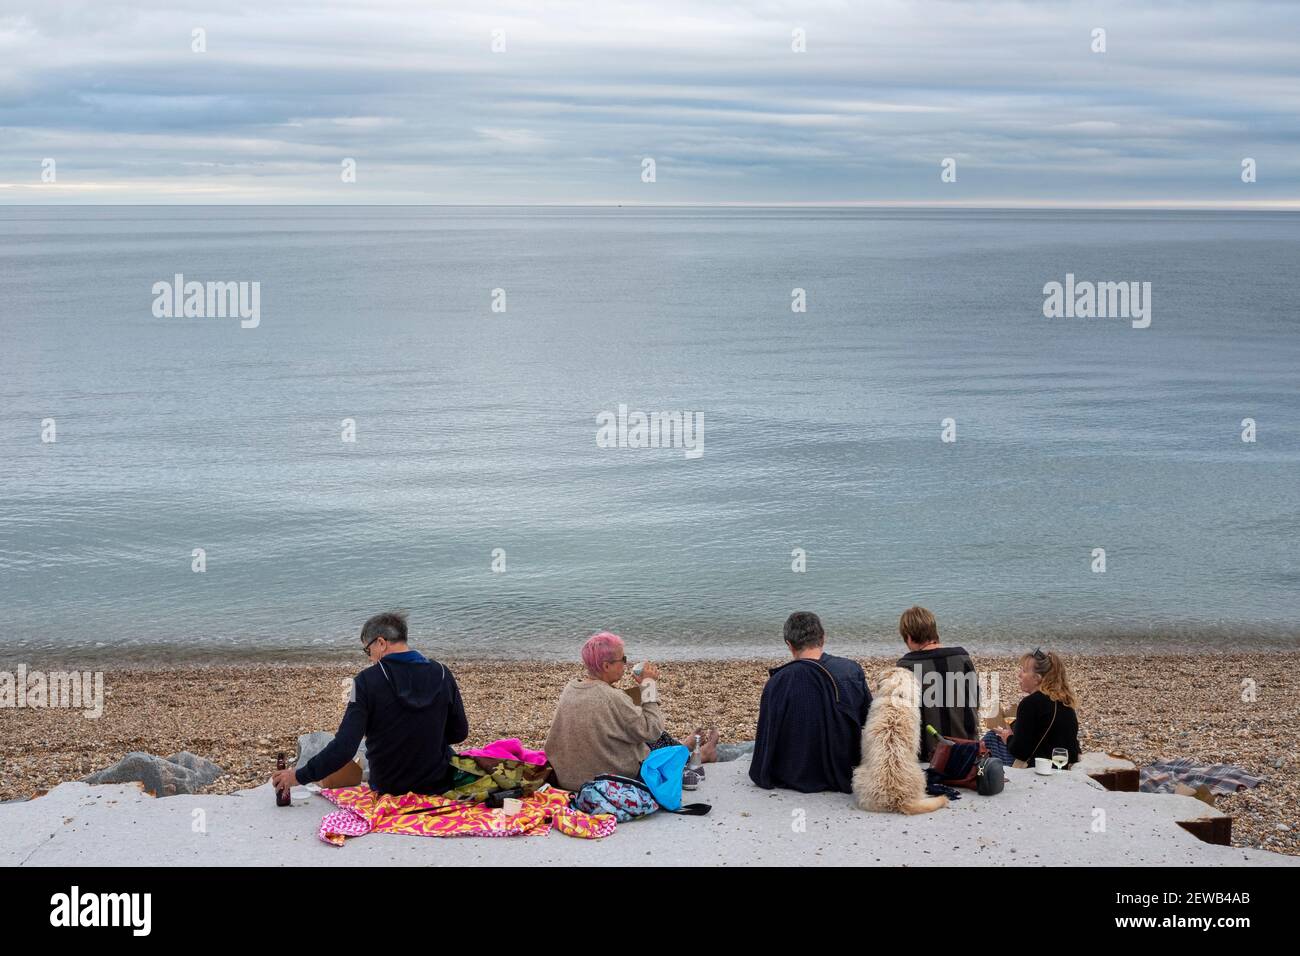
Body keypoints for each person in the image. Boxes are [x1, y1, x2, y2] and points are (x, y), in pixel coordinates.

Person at [270, 611, 468, 797]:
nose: (371, 659)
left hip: (389, 787)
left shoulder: (363, 682)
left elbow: (345, 746)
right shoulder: (442, 673)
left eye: (368, 650)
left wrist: (298, 776)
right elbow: (459, 733)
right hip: (437, 784)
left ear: (381, 643)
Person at [544, 631, 718, 791]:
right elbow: (653, 730)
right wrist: (649, 685)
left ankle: (683, 747)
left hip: (567, 778)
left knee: (641, 729)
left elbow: (607, 713)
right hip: (605, 780)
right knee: (656, 738)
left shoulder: (571, 688)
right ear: (606, 666)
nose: (625, 664)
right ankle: (699, 755)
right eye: (623, 659)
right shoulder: (612, 697)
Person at [749, 612, 871, 793]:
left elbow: (767, 741)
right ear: (823, 638)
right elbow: (868, 718)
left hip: (792, 774)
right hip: (842, 770)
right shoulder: (850, 670)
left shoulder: (778, 682)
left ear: (789, 645)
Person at [896, 606, 980, 759]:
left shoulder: (907, 666)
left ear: (908, 637)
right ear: (933, 631)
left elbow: (901, 720)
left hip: (929, 758)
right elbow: (976, 702)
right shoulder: (963, 659)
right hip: (968, 753)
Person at [983, 649, 1080, 767]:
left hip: (1038, 767)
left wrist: (1008, 737)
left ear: (1037, 678)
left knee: (991, 738)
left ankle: (981, 776)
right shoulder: (1065, 702)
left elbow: (1020, 752)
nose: (1019, 674)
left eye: (1024, 671)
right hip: (1063, 764)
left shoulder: (1030, 704)